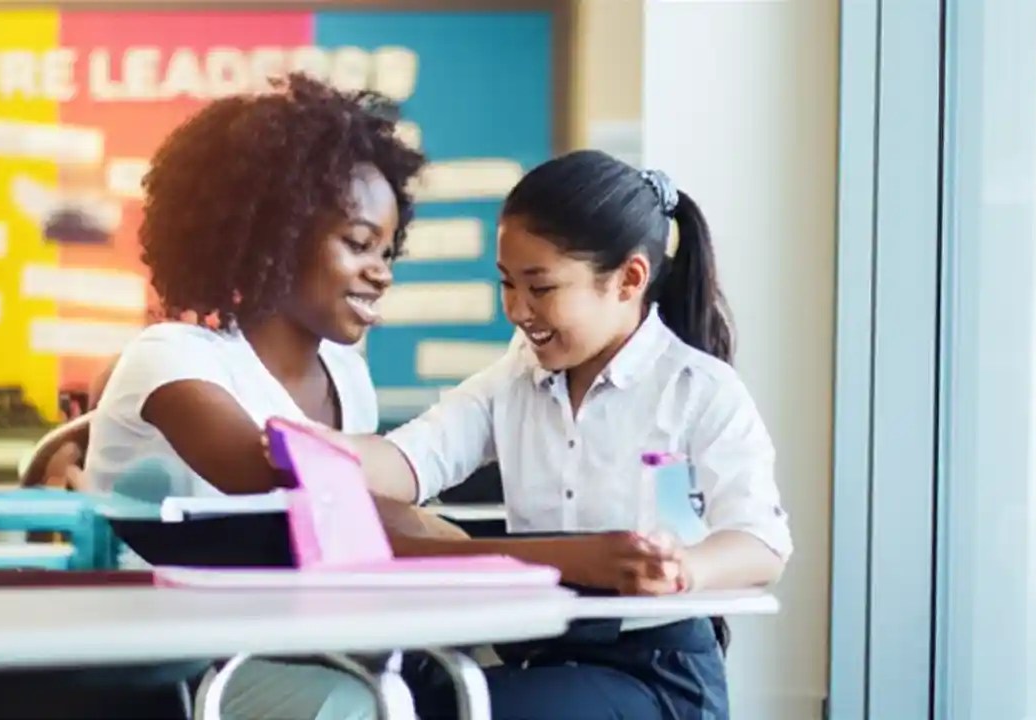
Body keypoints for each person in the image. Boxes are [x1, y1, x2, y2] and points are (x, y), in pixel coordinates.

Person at [319, 149, 793, 719]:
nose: (517, 310)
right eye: (507, 284)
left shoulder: (699, 389)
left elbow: (762, 543)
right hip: (543, 658)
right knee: (397, 696)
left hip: (656, 677)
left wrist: (687, 568)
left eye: (540, 288)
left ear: (629, 279)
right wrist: (309, 452)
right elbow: (410, 460)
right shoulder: (515, 378)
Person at [82, 73, 454, 720]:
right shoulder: (173, 357)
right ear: (276, 236)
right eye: (358, 244)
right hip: (167, 666)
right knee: (356, 706)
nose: (382, 273)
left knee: (462, 687)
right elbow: (286, 480)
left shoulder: (348, 377)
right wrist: (502, 549)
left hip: (295, 645)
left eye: (388, 251)